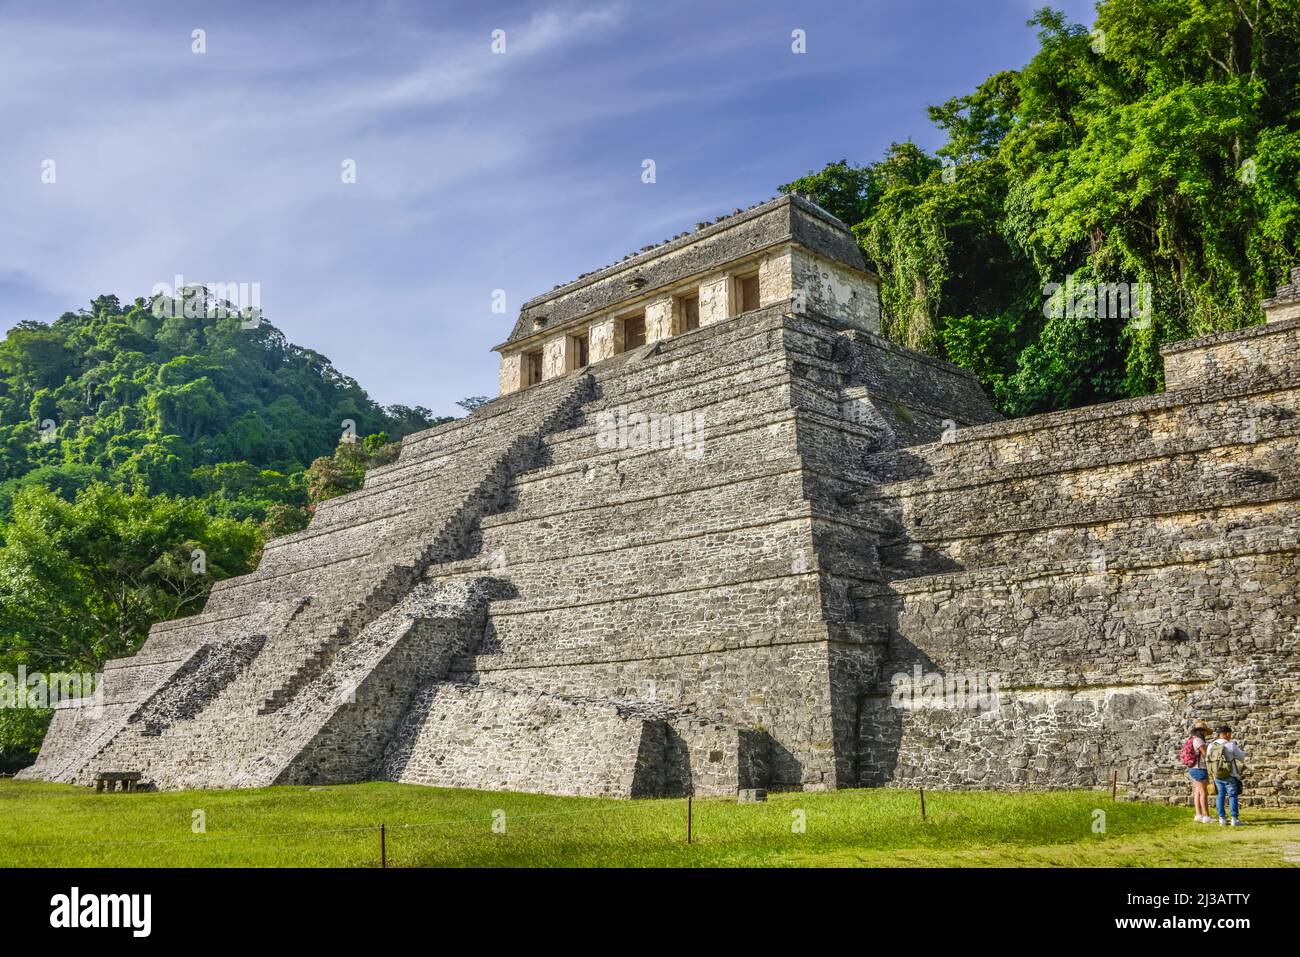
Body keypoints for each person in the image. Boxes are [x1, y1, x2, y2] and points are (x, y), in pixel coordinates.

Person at [1207, 724, 1247, 826]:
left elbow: (1208, 759)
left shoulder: (1212, 745)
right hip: (1230, 774)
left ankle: (1222, 819)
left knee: (1220, 795)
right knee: (1232, 796)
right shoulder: (1230, 745)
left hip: (1217, 775)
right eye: (1230, 734)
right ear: (1227, 734)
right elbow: (1242, 757)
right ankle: (1234, 819)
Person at [1180, 721, 1212, 822]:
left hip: (1192, 768)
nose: (1206, 734)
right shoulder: (1199, 741)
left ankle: (1198, 815)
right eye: (1205, 732)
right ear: (1202, 732)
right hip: (1200, 768)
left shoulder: (1192, 739)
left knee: (1197, 793)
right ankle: (1206, 816)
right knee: (1203, 793)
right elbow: (1206, 754)